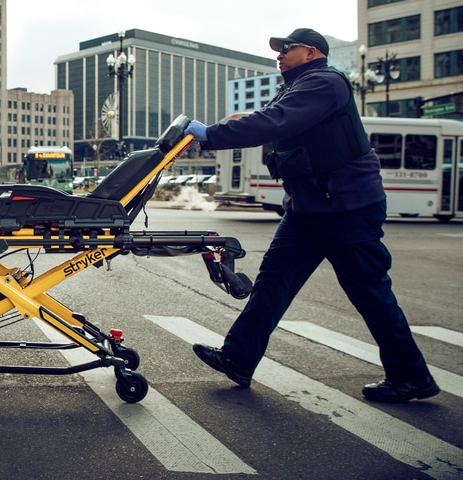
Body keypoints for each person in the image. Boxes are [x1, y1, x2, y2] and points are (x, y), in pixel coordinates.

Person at [183, 28, 439, 404]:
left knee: (369, 291)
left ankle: (411, 375)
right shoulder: (296, 87)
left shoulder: (325, 82)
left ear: (312, 51)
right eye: (278, 49)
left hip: (347, 207)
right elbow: (272, 118)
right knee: (273, 281)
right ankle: (238, 357)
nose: (280, 54)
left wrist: (212, 134)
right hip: (308, 207)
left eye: (287, 48)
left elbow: (276, 122)